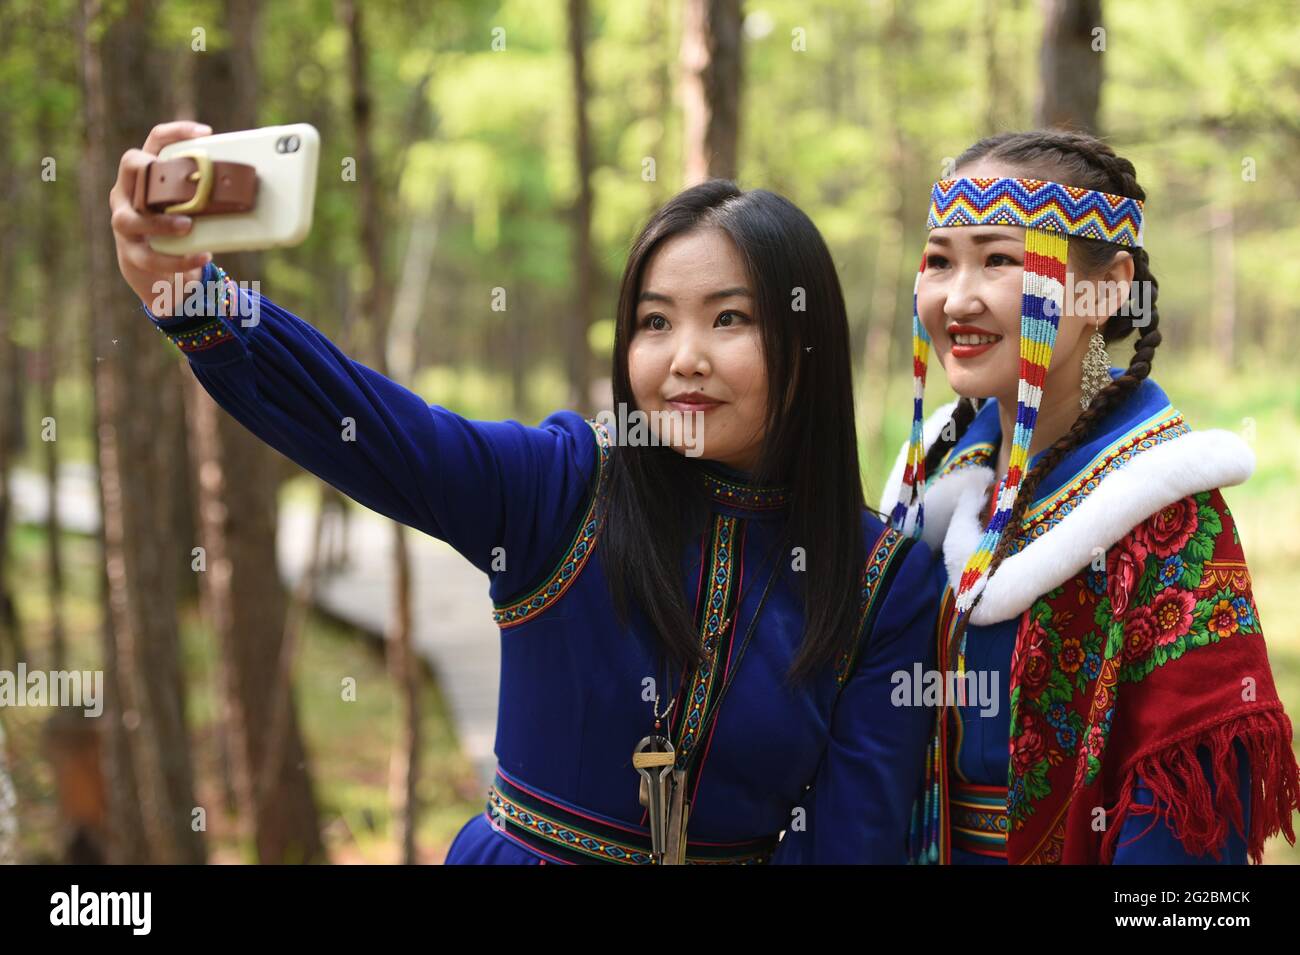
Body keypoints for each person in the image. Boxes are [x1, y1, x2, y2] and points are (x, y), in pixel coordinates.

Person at [109, 121, 942, 864]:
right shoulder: (566, 484)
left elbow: (853, 839)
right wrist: (193, 296)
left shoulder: (885, 582)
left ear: (805, 341)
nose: (684, 357)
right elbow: (373, 427)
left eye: (730, 319)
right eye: (655, 322)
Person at [883, 130, 1299, 864]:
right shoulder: (940, 480)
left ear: (1105, 288)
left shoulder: (1162, 506)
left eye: (998, 259)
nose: (957, 297)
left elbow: (1182, 806)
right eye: (940, 261)